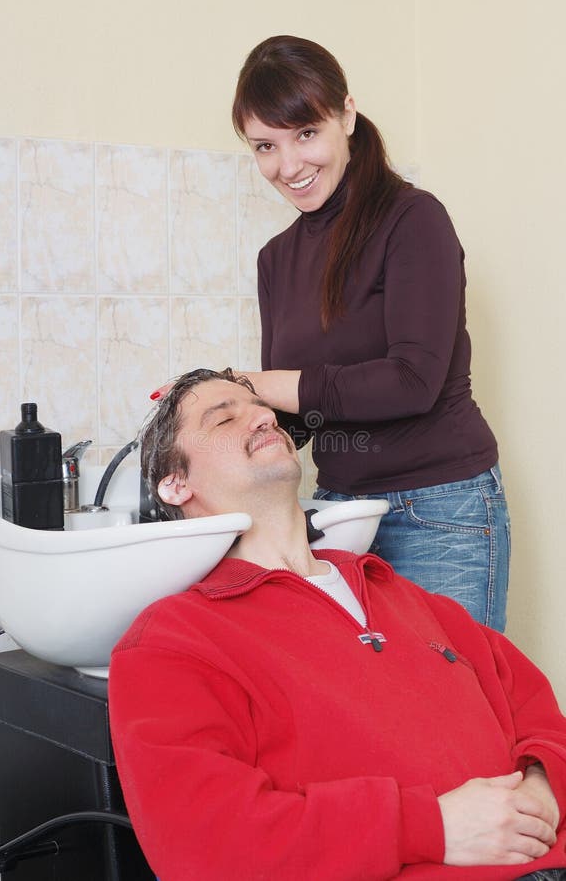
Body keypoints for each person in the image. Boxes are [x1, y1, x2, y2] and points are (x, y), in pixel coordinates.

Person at [110, 368, 566, 881]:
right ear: (175, 485)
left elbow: (538, 714)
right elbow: (205, 846)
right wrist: (430, 826)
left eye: (260, 408)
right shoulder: (172, 642)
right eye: (224, 418)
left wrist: (544, 786)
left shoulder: (411, 600)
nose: (263, 416)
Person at [160, 34, 511, 631]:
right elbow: (303, 418)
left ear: (346, 115)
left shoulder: (412, 219)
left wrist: (268, 384)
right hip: (342, 515)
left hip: (440, 510)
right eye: (265, 146)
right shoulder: (276, 259)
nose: (288, 166)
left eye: (305, 134)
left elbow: (413, 383)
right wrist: (224, 414)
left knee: (451, 710)